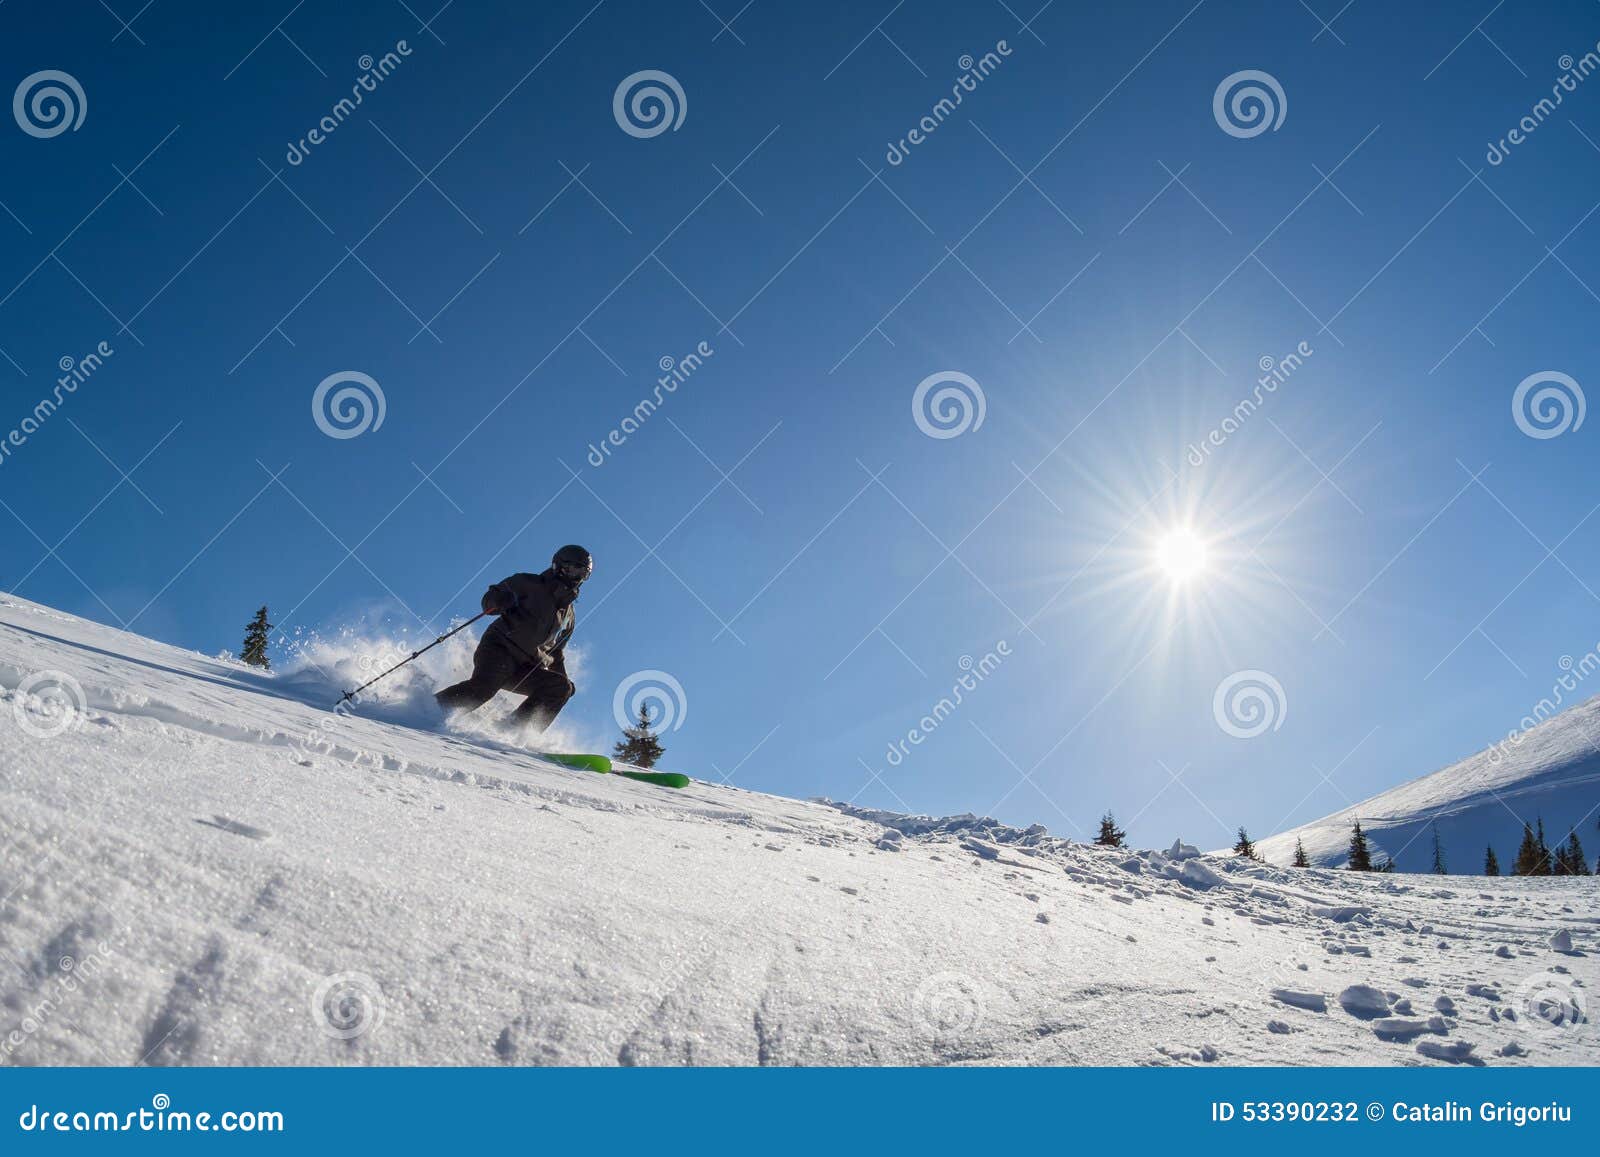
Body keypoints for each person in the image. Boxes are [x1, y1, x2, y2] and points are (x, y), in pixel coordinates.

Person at [434, 545, 593, 731]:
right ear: (559, 566)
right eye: (574, 569)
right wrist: (499, 601)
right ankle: (429, 709)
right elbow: (489, 599)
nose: (577, 577)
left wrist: (562, 680)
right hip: (500, 649)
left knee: (560, 687)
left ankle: (513, 732)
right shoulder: (528, 583)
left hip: (525, 667)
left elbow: (556, 652)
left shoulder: (569, 616)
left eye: (583, 573)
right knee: (483, 689)